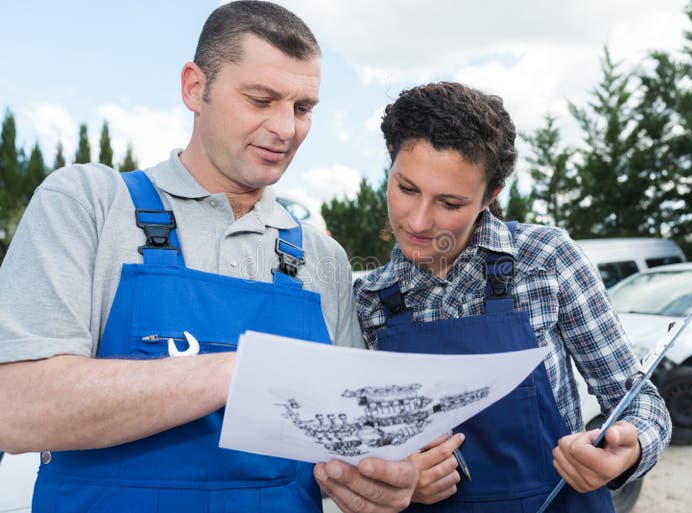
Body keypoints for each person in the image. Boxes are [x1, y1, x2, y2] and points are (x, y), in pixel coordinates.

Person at [0, 2, 417, 512]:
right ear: (195, 88)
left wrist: (376, 479)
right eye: (261, 99)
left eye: (303, 108)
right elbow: (16, 407)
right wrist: (248, 372)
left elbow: (347, 438)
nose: (286, 128)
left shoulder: (321, 257)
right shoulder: (89, 203)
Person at [354, 82, 672, 512]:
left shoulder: (547, 261)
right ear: (390, 159)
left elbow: (643, 404)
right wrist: (401, 478)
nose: (419, 220)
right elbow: (362, 451)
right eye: (406, 188)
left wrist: (627, 450)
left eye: (449, 202)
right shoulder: (368, 301)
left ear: (491, 195)